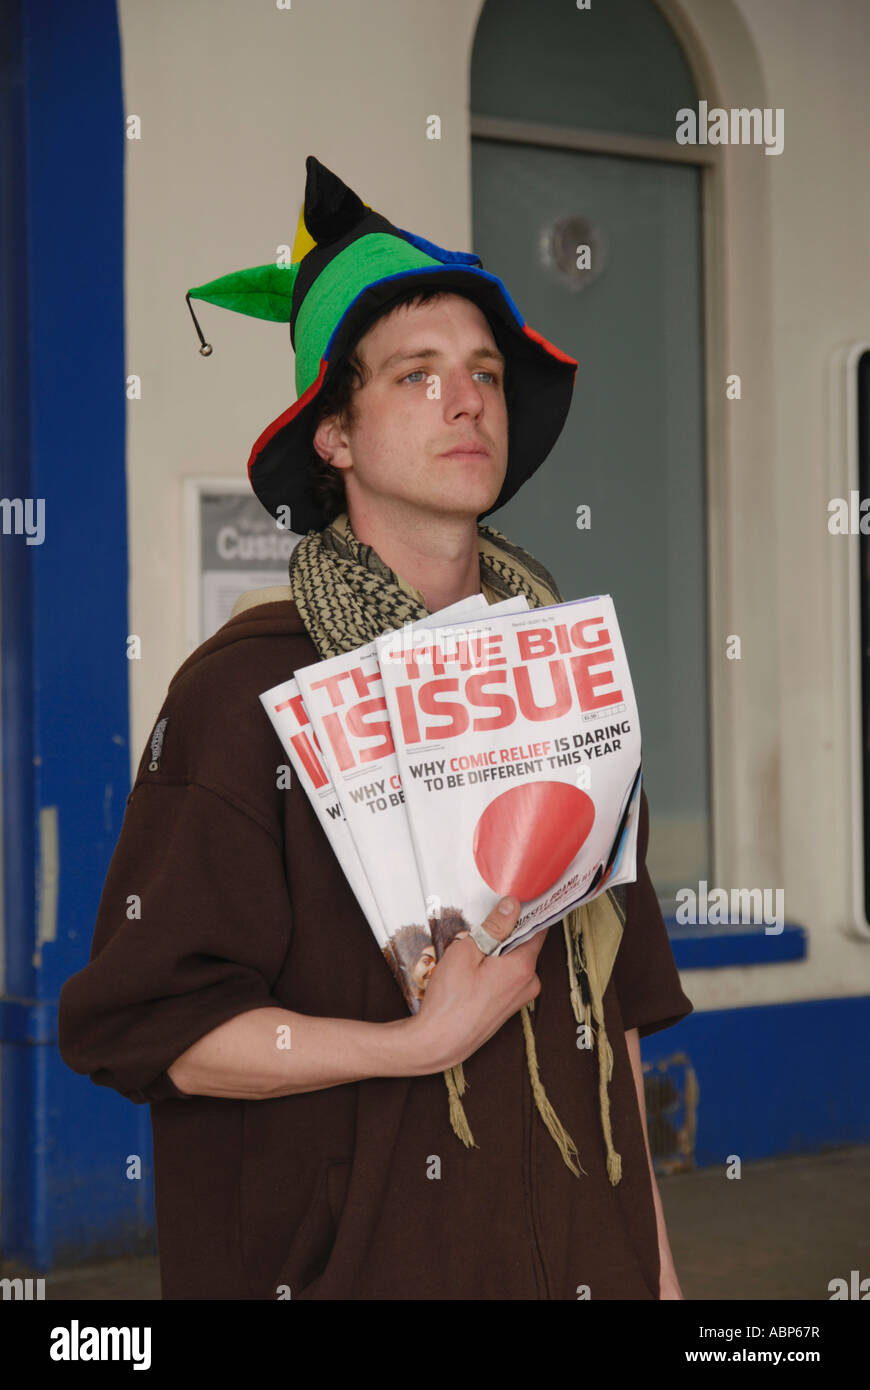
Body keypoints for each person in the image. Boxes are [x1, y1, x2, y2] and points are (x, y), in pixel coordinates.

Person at [58, 156, 693, 1301]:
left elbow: (619, 1035)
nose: (469, 401)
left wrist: (658, 1277)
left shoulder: (571, 678)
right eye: (417, 374)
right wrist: (419, 1043)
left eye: (486, 374)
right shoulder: (244, 695)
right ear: (335, 437)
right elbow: (152, 1031)